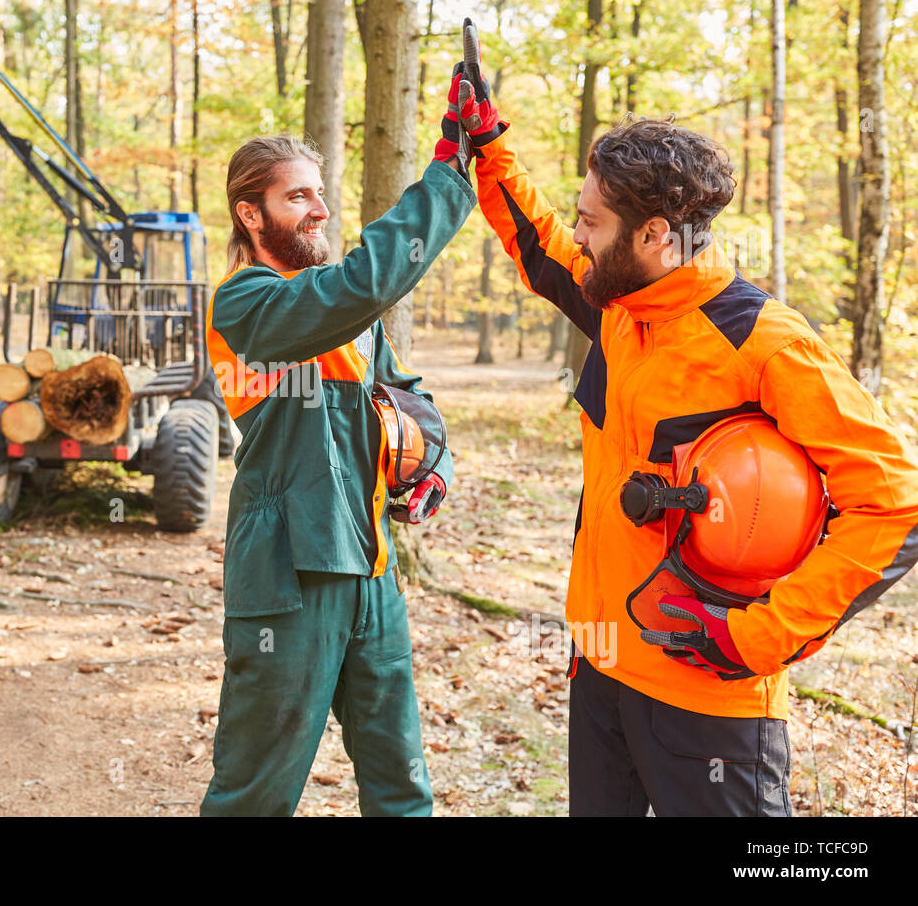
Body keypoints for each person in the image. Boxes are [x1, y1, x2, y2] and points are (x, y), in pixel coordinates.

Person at [453, 62, 918, 816]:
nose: (579, 234)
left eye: (592, 222)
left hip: (711, 704)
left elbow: (895, 507)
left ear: (655, 233)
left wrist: (761, 636)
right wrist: (488, 142)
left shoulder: (764, 340)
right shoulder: (620, 301)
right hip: (601, 666)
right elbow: (539, 246)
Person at [198, 78, 478, 816]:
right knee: (254, 792)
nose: (320, 209)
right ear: (249, 212)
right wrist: (448, 174)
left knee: (401, 779)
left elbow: (409, 395)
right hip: (290, 571)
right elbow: (359, 288)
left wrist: (433, 469)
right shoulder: (246, 303)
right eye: (298, 197)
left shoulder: (341, 309)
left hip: (373, 570)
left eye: (320, 194)